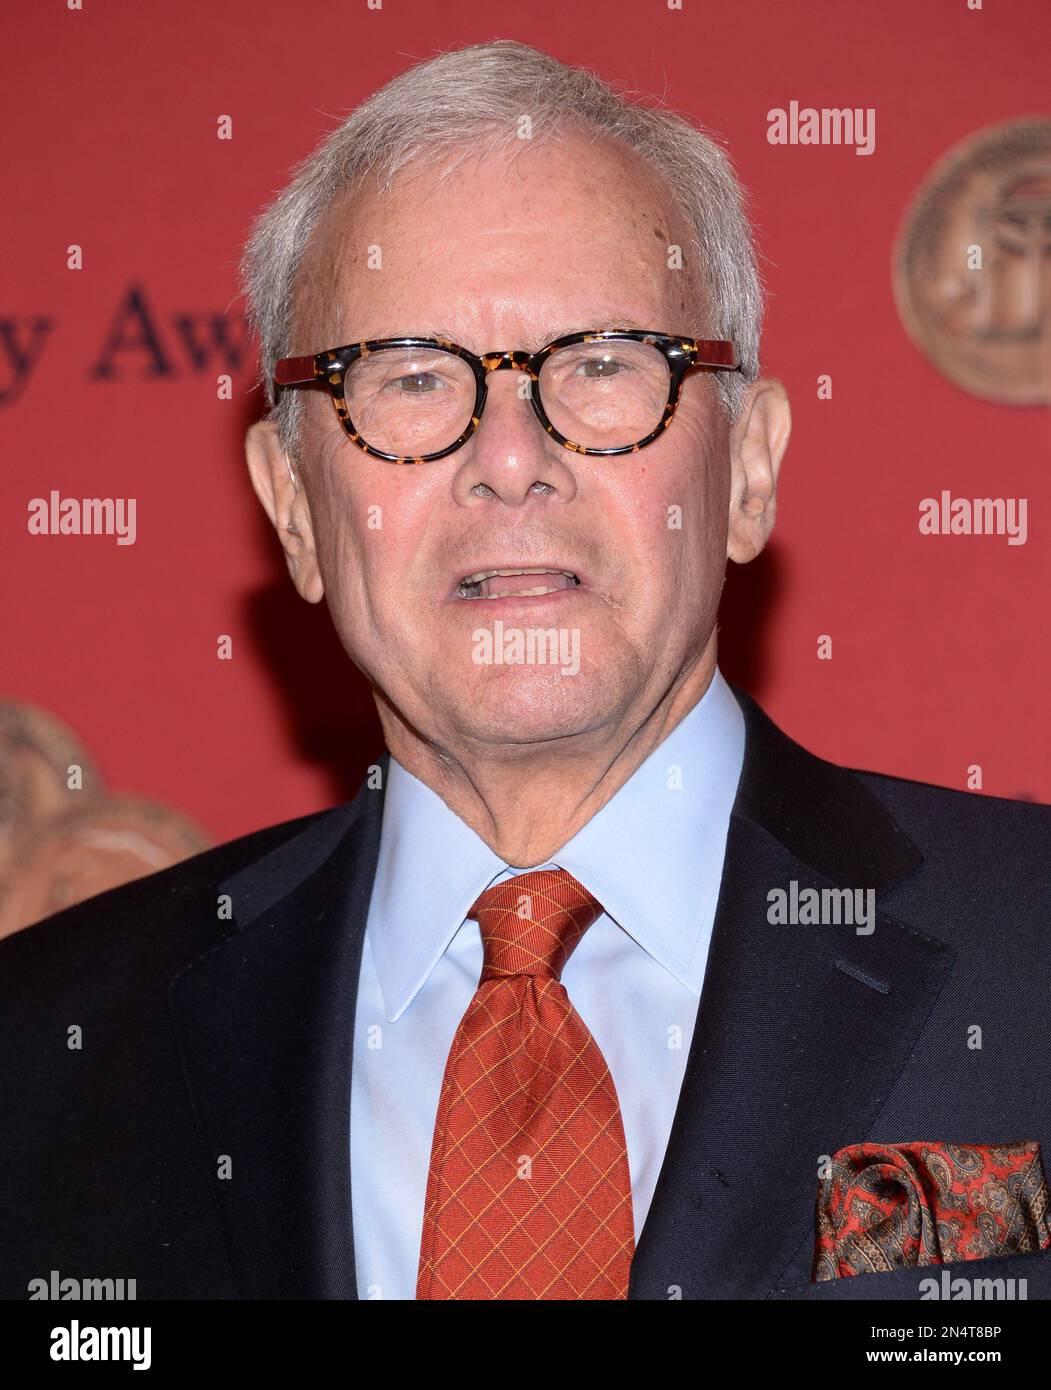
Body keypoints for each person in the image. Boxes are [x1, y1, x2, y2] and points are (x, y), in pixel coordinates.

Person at [2, 39, 1048, 1302]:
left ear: (750, 470)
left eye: (603, 366)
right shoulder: (46, 1052)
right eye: (408, 378)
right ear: (290, 508)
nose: (509, 458)